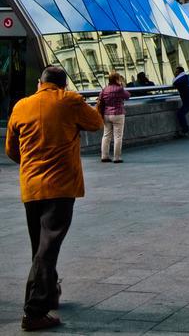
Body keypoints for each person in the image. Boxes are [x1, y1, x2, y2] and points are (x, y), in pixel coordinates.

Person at [5, 66, 104, 331]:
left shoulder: (21, 106)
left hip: (31, 187)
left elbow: (11, 149)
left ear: (40, 83)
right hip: (60, 187)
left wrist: (30, 165)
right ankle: (34, 311)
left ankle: (49, 293)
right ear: (62, 85)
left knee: (41, 245)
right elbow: (96, 123)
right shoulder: (69, 100)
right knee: (48, 249)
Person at [98, 72, 131, 164]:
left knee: (106, 135)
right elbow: (128, 96)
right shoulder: (119, 89)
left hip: (106, 114)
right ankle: (117, 157)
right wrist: (122, 86)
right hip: (118, 114)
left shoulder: (105, 89)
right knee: (118, 136)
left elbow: (100, 99)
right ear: (117, 79)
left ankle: (104, 156)